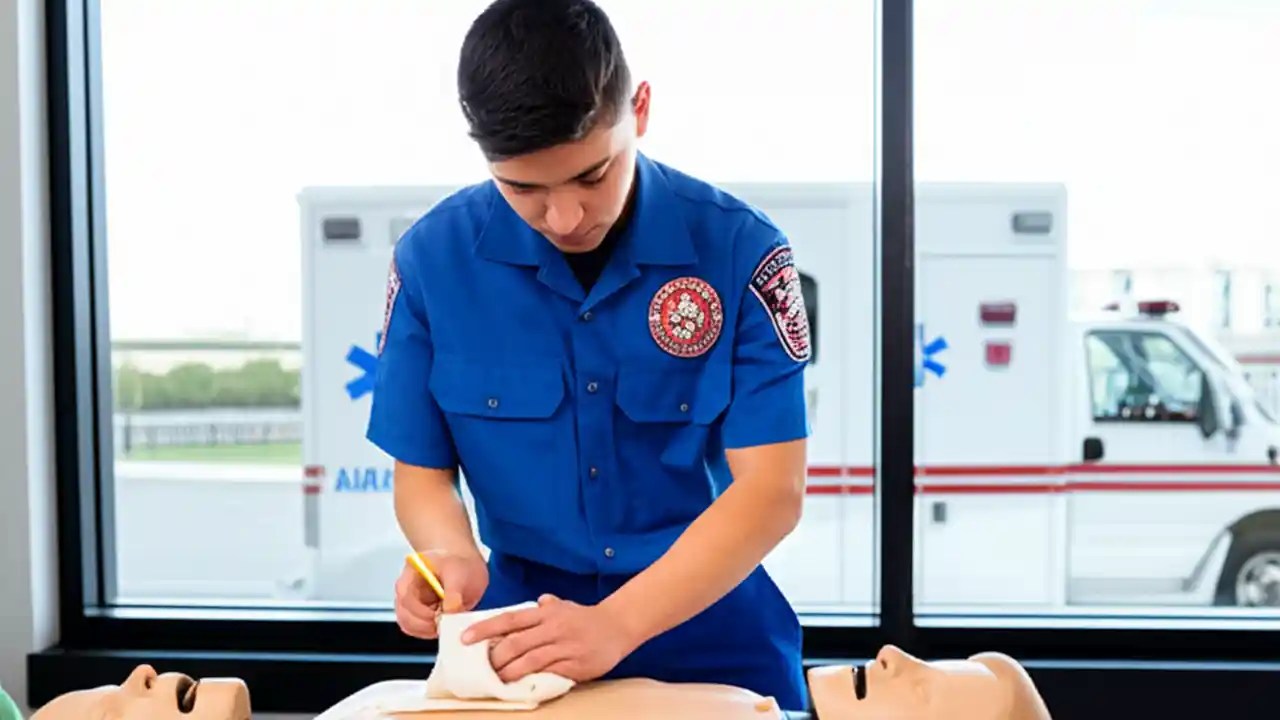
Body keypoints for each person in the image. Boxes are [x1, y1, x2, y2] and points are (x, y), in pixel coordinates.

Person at [366, 0, 812, 710]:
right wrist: (448, 556)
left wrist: (617, 625)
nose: (565, 218)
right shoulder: (431, 262)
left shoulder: (743, 251)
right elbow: (421, 473)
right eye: (524, 189)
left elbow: (772, 492)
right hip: (522, 633)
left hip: (709, 617)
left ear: (640, 108)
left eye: (592, 175)